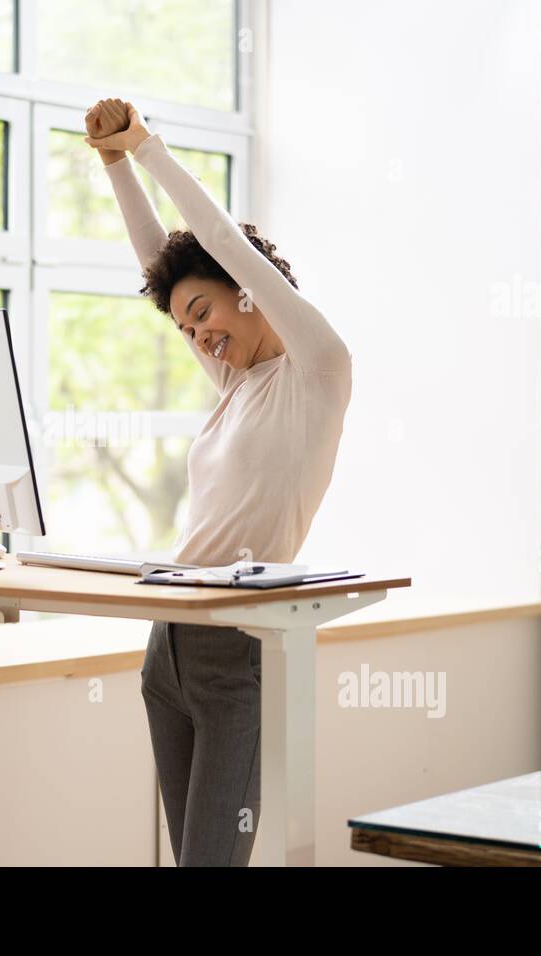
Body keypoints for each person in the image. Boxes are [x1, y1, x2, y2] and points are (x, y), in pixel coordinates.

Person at [85, 97, 353, 866]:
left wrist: (147, 149)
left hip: (236, 653)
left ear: (247, 289)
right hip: (166, 650)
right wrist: (113, 169)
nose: (199, 335)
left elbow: (225, 246)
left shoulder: (318, 370)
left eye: (204, 312)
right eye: (184, 329)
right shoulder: (234, 383)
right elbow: (156, 260)